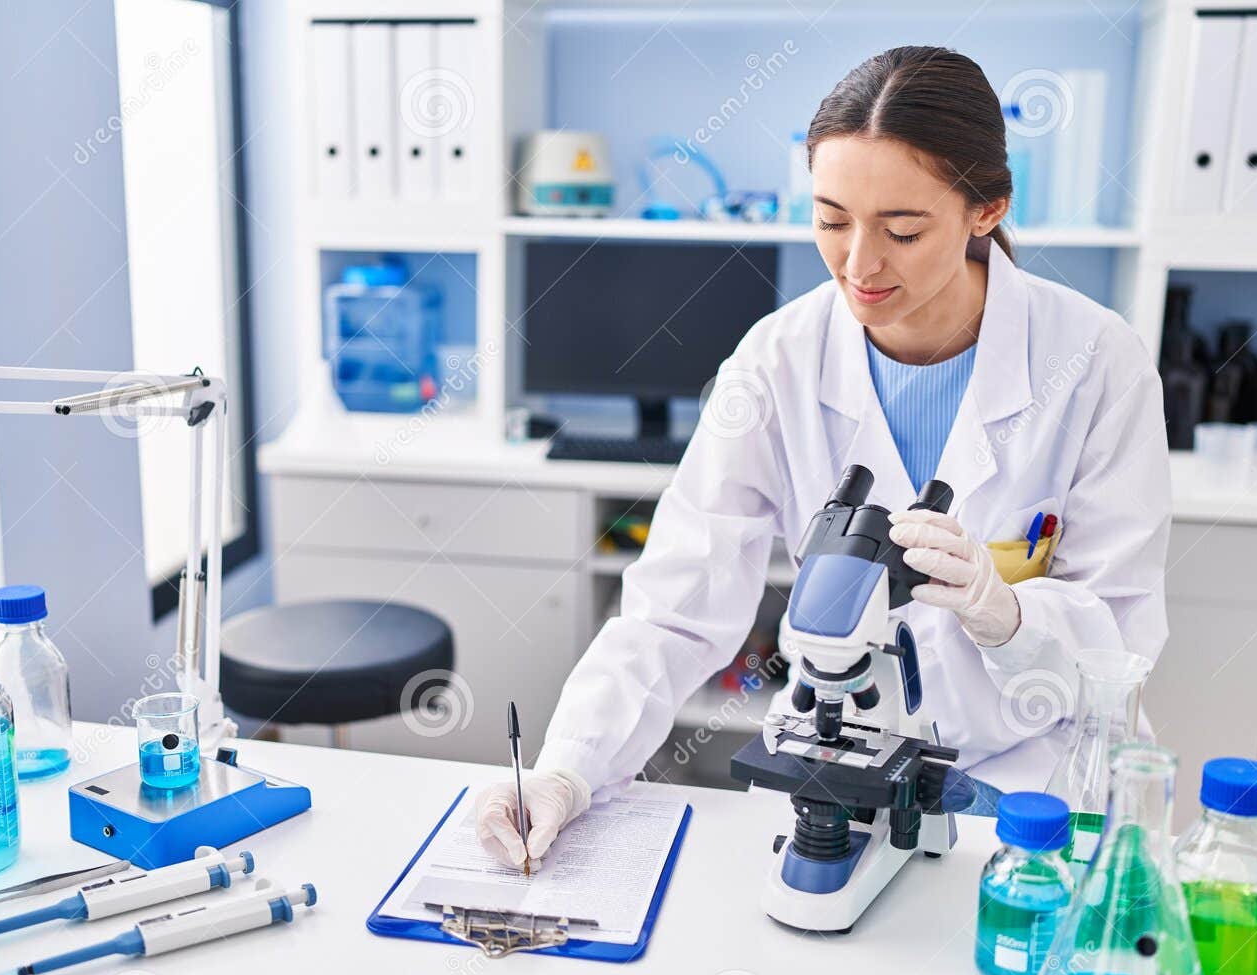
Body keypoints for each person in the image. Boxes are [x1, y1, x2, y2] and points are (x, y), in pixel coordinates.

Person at [477, 46, 1169, 869]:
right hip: (833, 770)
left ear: (987, 209)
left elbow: (1119, 649)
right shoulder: (777, 361)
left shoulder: (1095, 362)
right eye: (831, 220)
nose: (858, 264)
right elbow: (674, 608)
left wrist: (1005, 613)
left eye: (902, 230)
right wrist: (566, 770)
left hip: (1027, 792)